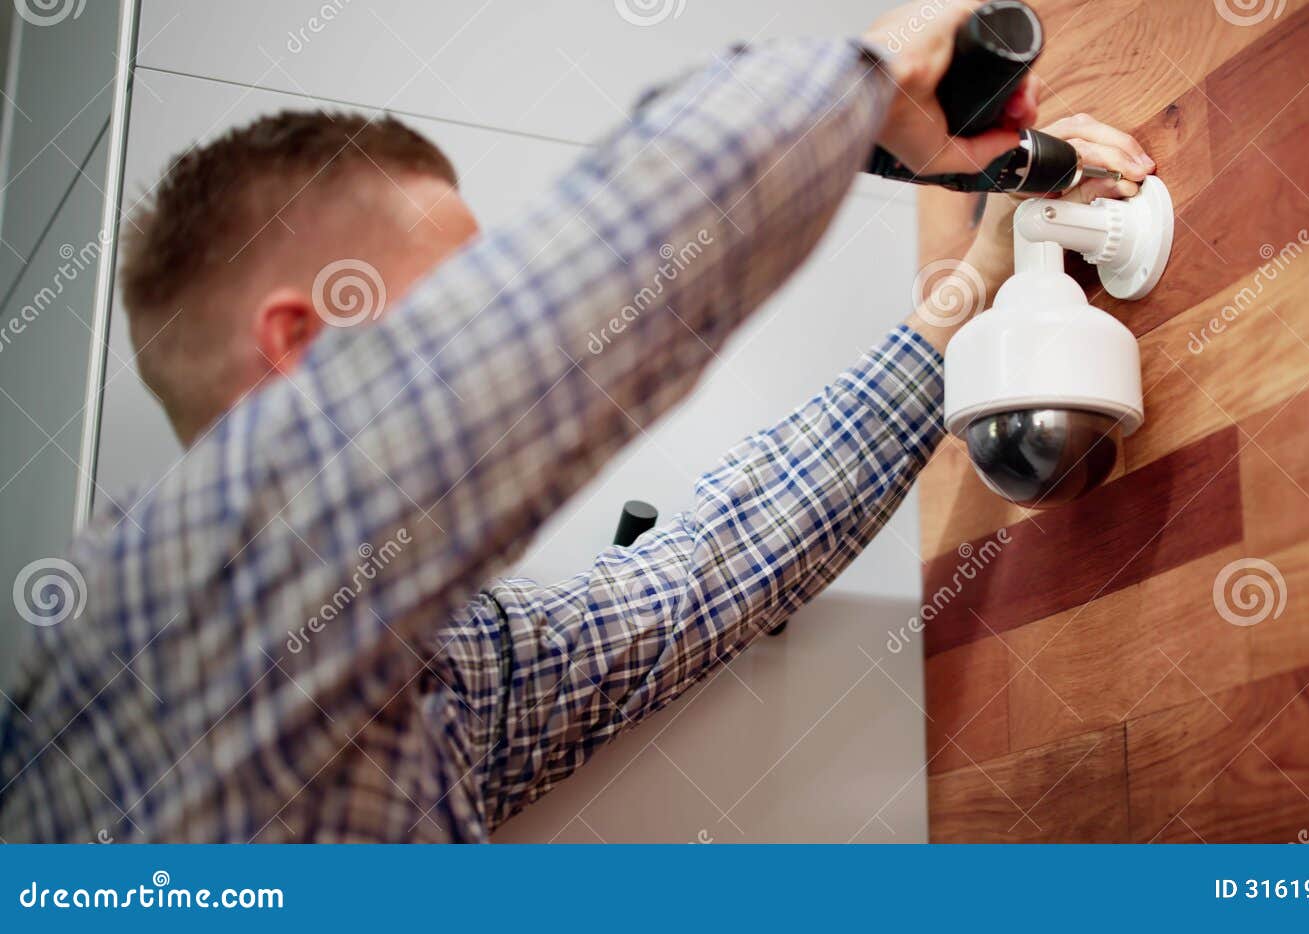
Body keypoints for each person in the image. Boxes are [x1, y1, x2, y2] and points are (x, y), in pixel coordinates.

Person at [0, 1, 1152, 842]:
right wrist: (880, 79)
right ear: (306, 347)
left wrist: (970, 291)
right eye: (460, 309)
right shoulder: (151, 640)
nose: (508, 329)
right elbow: (584, 311)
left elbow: (705, 575)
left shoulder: (437, 688)